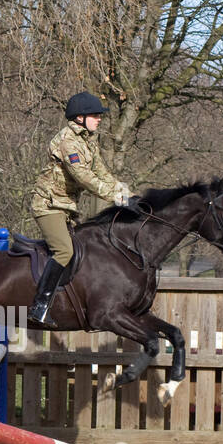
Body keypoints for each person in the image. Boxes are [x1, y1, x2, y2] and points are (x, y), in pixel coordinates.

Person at [27, 91, 133, 327]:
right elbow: (84, 177)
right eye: (95, 115)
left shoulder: (88, 141)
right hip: (48, 205)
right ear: (79, 118)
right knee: (64, 251)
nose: (100, 119)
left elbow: (101, 172)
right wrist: (117, 197)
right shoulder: (68, 141)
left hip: (65, 207)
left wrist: (127, 193)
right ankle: (39, 306)